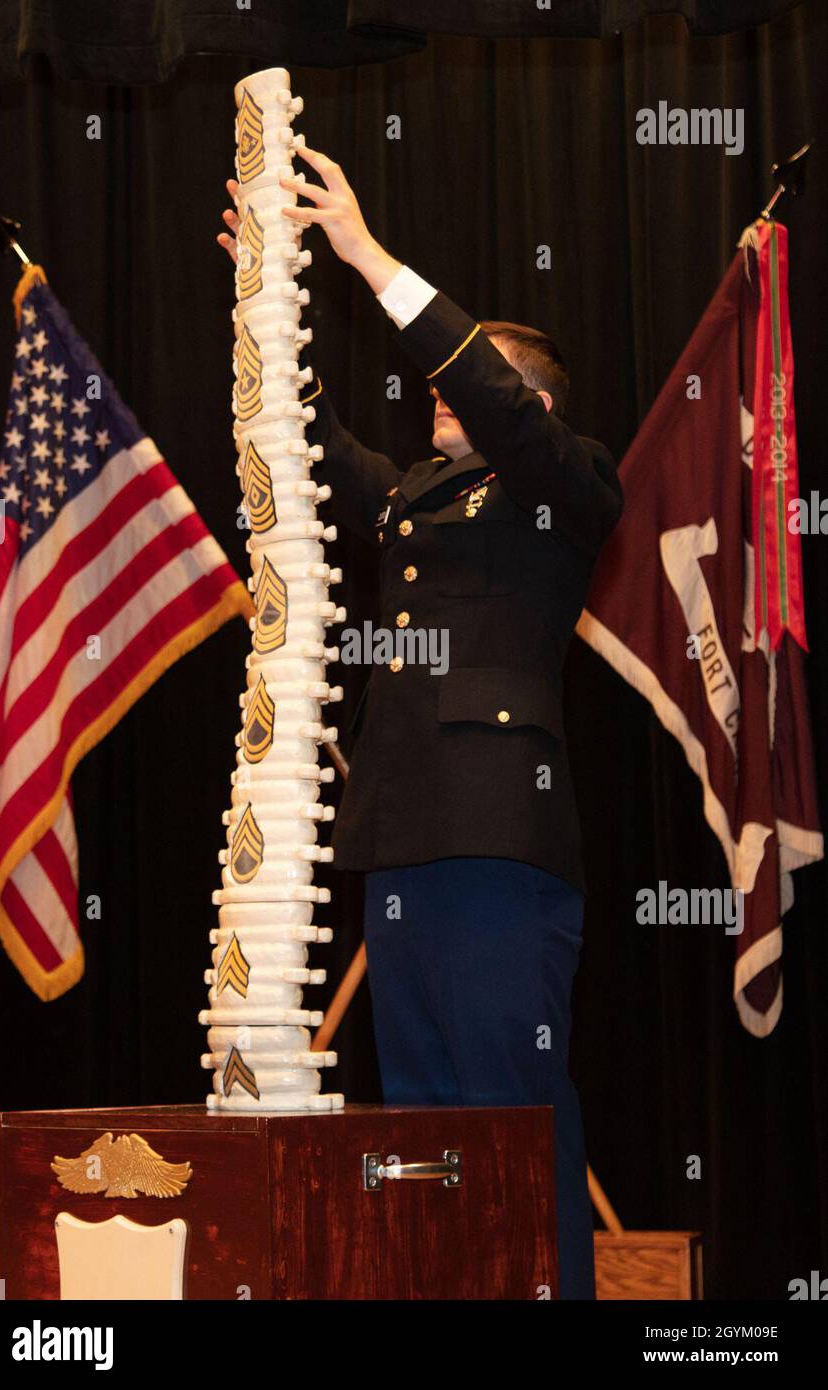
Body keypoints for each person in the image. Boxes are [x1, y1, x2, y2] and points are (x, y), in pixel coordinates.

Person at [218, 146, 623, 1299]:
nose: (435, 386)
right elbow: (318, 453)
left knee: (508, 1109)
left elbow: (490, 399)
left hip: (498, 838)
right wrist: (267, 300)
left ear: (528, 404)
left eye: (468, 376)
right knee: (424, 1132)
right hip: (399, 838)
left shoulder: (563, 476)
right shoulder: (412, 495)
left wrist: (366, 253)